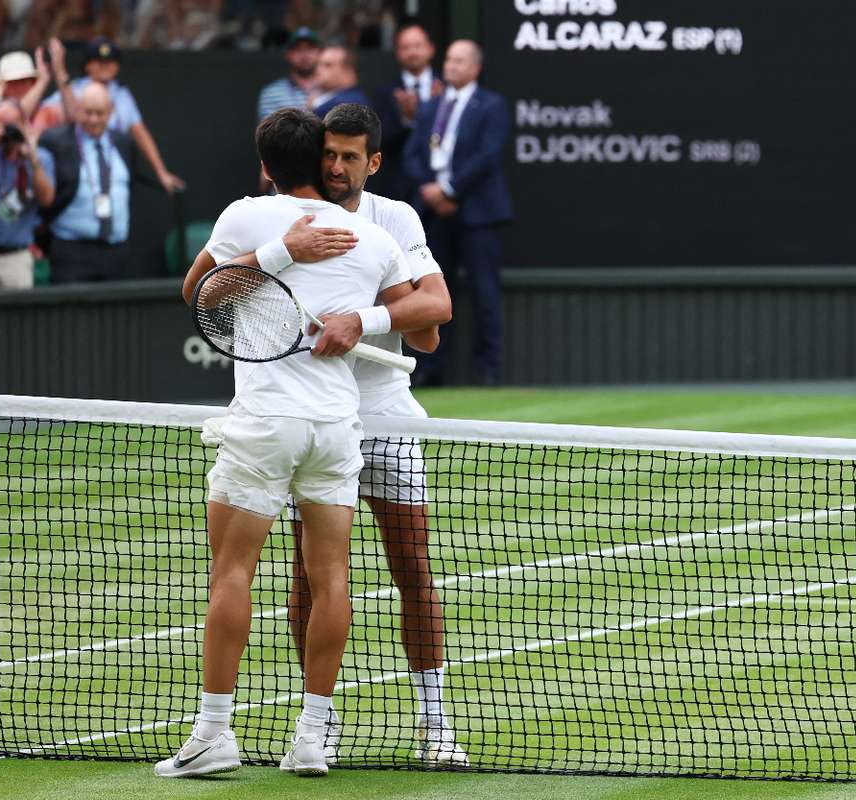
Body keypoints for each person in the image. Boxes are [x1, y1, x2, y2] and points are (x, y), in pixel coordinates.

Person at [156, 107, 436, 779]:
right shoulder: (370, 237)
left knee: (232, 574)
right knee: (331, 577)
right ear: (320, 163)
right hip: (336, 430)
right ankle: (312, 736)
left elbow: (198, 296)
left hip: (264, 425)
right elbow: (425, 331)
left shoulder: (242, 217)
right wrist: (360, 309)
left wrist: (281, 260)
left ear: (264, 167)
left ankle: (215, 733)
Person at [266, 102, 463, 765]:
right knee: (308, 580)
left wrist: (363, 318)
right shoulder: (290, 222)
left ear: (372, 163)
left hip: (384, 417)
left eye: (351, 157)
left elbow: (432, 318)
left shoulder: (395, 219)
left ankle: (436, 726)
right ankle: (319, 721)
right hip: (318, 418)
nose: (337, 167)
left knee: (413, 569)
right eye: (329, 155)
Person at [403, 40, 513, 386]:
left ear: (476, 67)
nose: (451, 66)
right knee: (432, 291)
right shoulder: (431, 106)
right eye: (448, 59)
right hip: (434, 214)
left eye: (460, 60)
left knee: (484, 292)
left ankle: (489, 370)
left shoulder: (492, 105)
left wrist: (451, 190)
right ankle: (431, 369)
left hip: (477, 213)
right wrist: (431, 189)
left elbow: (487, 155)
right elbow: (412, 154)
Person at [39, 82, 160, 283]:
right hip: (71, 251)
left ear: (111, 111)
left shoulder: (124, 143)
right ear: (77, 109)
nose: (94, 120)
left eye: (100, 113)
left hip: (115, 252)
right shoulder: (57, 142)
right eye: (88, 113)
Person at [43, 38, 184, 193]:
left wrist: (161, 172)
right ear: (87, 65)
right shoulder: (74, 89)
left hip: (112, 165)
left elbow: (140, 133)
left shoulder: (122, 95)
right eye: (98, 61)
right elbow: (52, 116)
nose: (105, 66)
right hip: (80, 165)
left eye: (110, 62)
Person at [0, 99, 55, 289]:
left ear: (25, 124)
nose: (7, 130)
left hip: (17, 256)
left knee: (17, 317)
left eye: (12, 123)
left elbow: (47, 199)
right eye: (0, 124)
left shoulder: (40, 157)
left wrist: (32, 159)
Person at [374, 23, 441, 202]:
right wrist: (407, 120)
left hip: (441, 185)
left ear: (431, 49)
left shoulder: (445, 88)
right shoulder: (387, 92)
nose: (413, 52)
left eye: (418, 46)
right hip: (400, 187)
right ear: (398, 53)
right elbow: (381, 139)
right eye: (406, 47)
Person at [256, 27, 321, 121]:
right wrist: (311, 109)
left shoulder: (332, 90)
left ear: (320, 53)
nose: (305, 55)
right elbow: (268, 134)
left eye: (310, 48)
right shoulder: (271, 93)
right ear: (288, 54)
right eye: (298, 49)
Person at [309, 46, 368, 119]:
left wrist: (313, 107)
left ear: (349, 70)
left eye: (328, 65)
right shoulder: (323, 98)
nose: (318, 70)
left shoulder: (348, 104)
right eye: (317, 64)